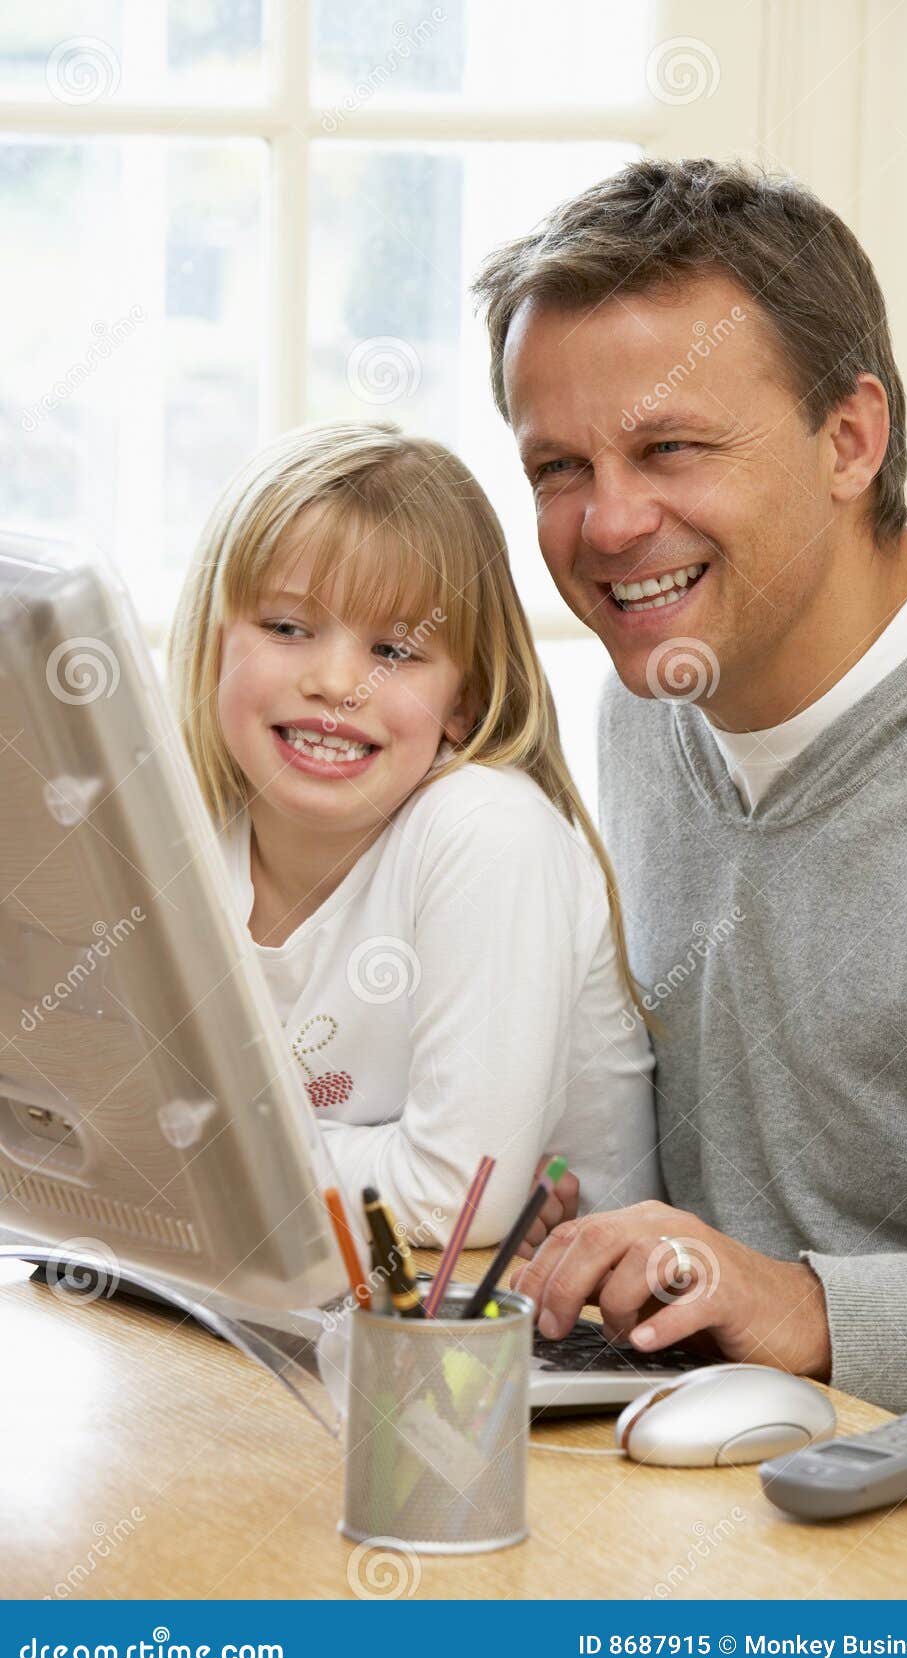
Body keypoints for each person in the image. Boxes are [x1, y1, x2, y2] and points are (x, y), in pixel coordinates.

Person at [473, 157, 907, 1479]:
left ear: (849, 438)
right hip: (716, 1498)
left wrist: (810, 1305)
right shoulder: (648, 699)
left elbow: (785, 1273)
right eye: (556, 465)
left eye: (669, 447)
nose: (607, 522)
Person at [165, 419, 658, 1245]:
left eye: (394, 650)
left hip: (549, 1339)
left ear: (463, 699)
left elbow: (449, 1201)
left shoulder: (485, 831)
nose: (333, 682)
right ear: (216, 646)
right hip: (295, 1283)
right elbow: (90, 1131)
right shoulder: (183, 832)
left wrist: (186, 1156)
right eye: (287, 628)